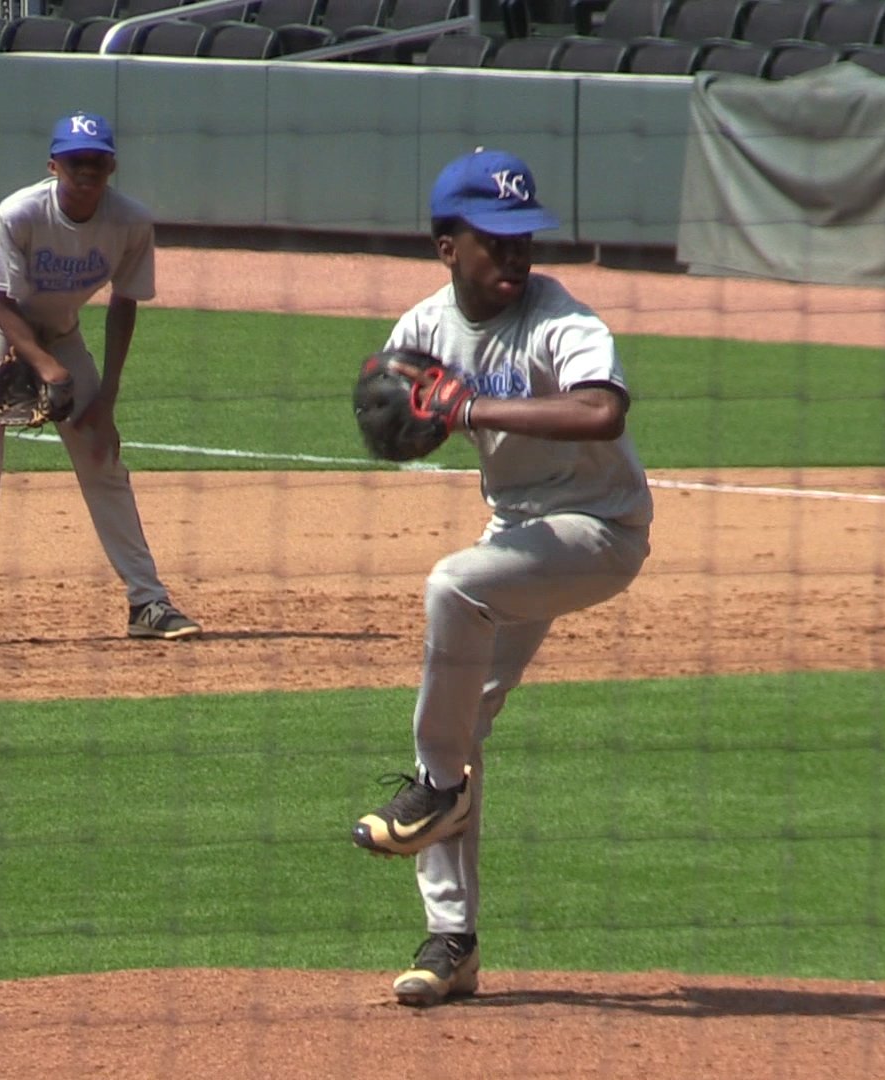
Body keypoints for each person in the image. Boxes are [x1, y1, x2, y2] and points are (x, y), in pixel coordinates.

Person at [349, 148, 654, 1006]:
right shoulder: (422, 329)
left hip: (599, 530)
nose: (517, 255)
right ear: (449, 245)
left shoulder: (565, 321)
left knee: (453, 586)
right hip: (517, 534)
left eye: (525, 239)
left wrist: (468, 407)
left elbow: (602, 411)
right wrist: (402, 419)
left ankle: (438, 794)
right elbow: (385, 404)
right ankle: (453, 944)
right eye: (496, 240)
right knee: (454, 716)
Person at [0, 111, 199, 648]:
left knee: (103, 455)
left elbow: (123, 305)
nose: (87, 171)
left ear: (111, 166)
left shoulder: (130, 221)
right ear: (54, 165)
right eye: (77, 161)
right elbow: (0, 301)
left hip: (59, 329)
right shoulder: (19, 212)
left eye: (98, 161)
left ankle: (146, 602)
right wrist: (44, 366)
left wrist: (105, 397)